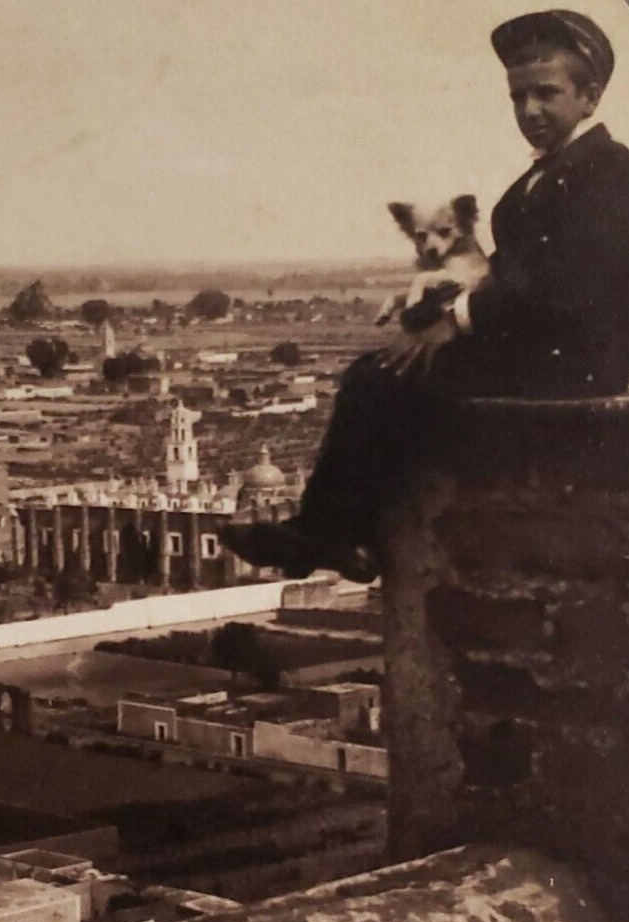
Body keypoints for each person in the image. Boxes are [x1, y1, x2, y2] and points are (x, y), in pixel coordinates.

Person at [220, 9, 629, 583]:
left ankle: (331, 534)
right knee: (384, 373)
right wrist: (436, 315)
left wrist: (456, 320)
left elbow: (567, 284)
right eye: (517, 97)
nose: (529, 111)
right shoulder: (539, 182)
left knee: (380, 381)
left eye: (546, 95)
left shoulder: (610, 175)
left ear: (589, 98)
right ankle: (341, 534)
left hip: (578, 367)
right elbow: (505, 280)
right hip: (539, 354)